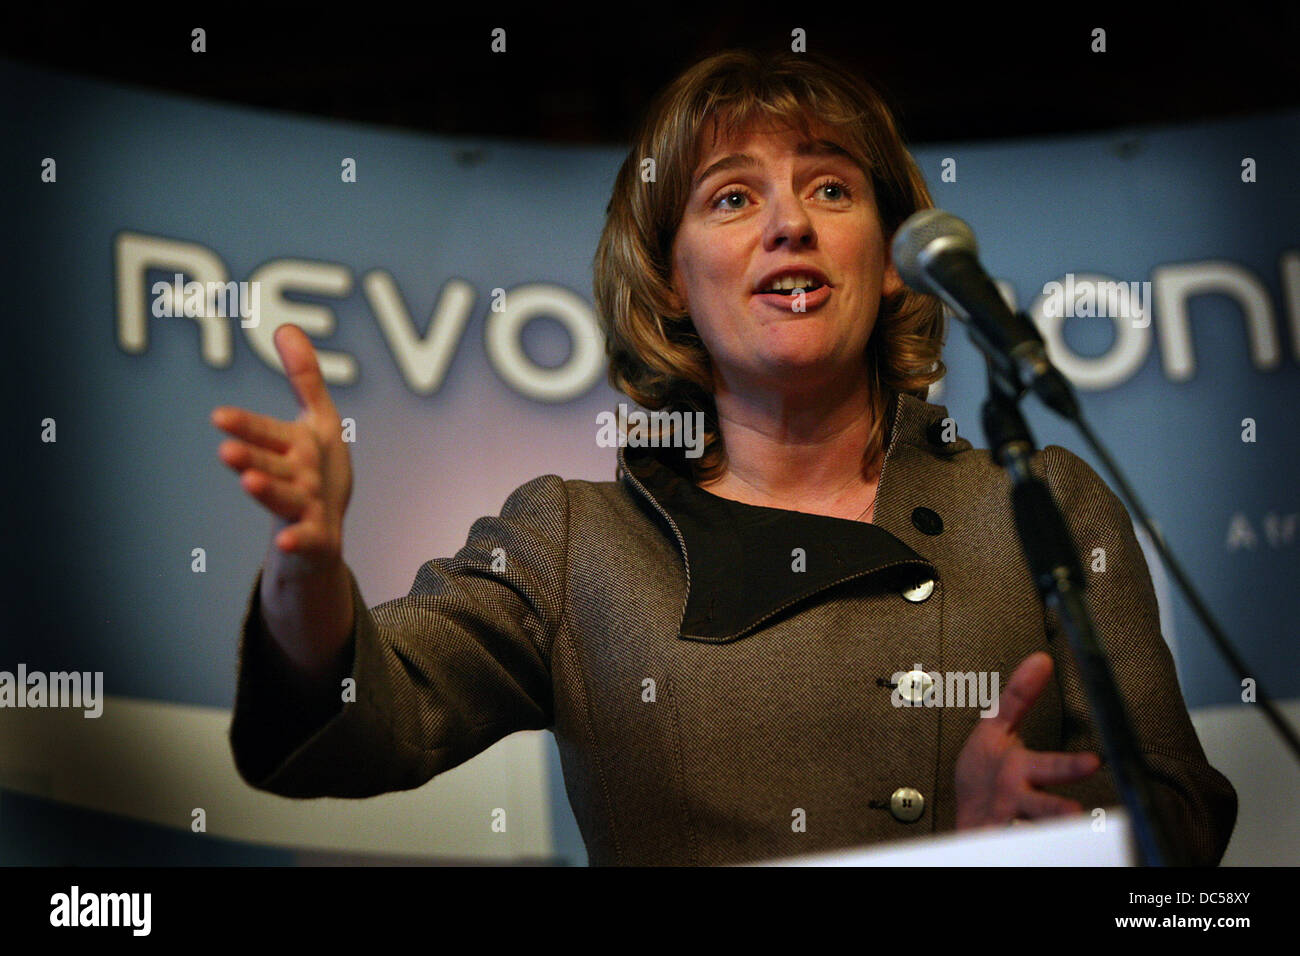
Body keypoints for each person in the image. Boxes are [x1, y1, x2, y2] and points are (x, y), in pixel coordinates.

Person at [213, 49, 1237, 866]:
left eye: (831, 190)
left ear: (887, 262)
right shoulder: (576, 543)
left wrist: (1034, 845)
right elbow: (355, 728)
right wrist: (308, 578)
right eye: (732, 199)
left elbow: (1180, 818)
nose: (789, 223)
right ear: (668, 284)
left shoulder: (1040, 502)